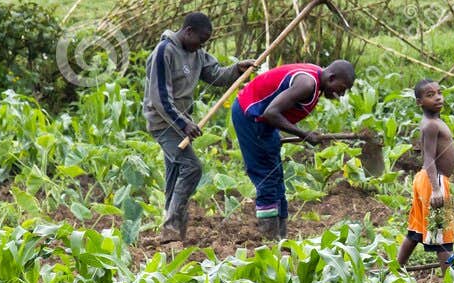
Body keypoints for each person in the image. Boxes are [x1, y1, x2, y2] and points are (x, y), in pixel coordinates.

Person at [142, 12, 255, 241]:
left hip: (178, 122)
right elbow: (159, 97)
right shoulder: (164, 52)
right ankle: (172, 227)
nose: (202, 45)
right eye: (201, 40)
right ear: (188, 31)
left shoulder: (197, 53)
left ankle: (171, 232)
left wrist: (237, 69)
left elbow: (215, 75)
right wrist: (183, 124)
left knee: (175, 173)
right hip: (163, 122)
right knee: (192, 167)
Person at [229, 59, 356, 240]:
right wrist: (304, 134)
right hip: (249, 116)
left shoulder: (316, 78)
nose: (341, 94)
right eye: (342, 88)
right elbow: (271, 113)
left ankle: (280, 237)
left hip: (263, 121)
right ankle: (270, 238)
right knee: (267, 176)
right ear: (332, 77)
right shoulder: (307, 84)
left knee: (277, 176)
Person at [397, 78, 454, 271]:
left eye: (439, 92)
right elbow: (429, 159)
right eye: (430, 95)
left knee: (415, 232)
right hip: (433, 180)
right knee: (442, 238)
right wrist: (437, 190)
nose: (438, 98)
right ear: (419, 102)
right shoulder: (431, 124)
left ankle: (396, 268)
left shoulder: (433, 121)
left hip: (424, 179)